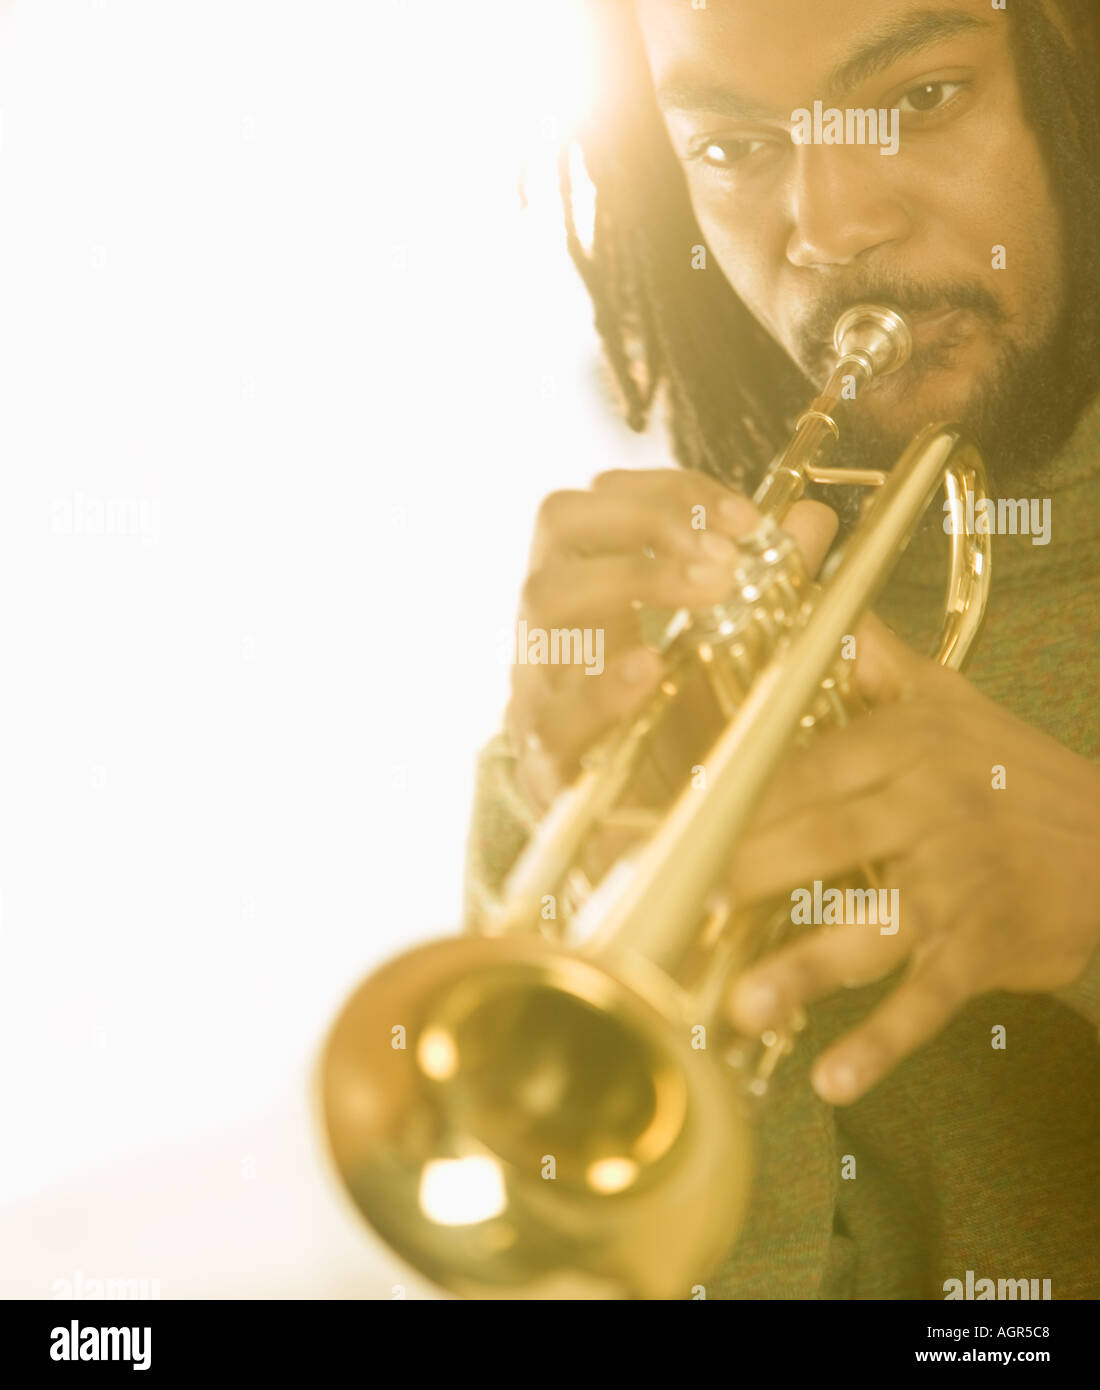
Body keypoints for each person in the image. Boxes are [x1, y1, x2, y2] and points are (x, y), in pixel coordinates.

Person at [465, 0, 1100, 1298]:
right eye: (737, 148)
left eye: (920, 99)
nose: (831, 228)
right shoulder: (659, 648)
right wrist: (562, 841)